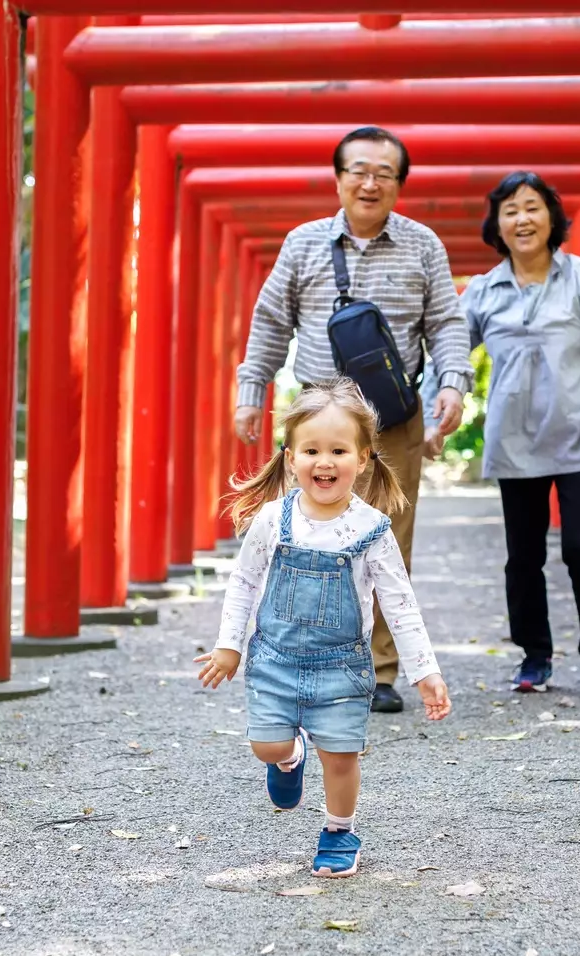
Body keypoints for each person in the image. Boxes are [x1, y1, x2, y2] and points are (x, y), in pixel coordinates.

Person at [232, 126, 475, 715]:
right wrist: (250, 388)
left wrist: (453, 384)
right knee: (305, 542)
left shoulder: (422, 245)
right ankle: (305, 662)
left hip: (393, 419)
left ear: (399, 185)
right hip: (318, 423)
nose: (370, 183)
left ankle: (382, 670)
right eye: (359, 171)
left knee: (389, 542)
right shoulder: (304, 243)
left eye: (384, 174)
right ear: (338, 177)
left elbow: (445, 323)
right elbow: (270, 320)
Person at [197, 380, 453, 878]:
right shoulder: (274, 519)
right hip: (275, 659)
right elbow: (244, 582)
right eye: (312, 450)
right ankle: (290, 757)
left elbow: (400, 606)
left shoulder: (372, 529)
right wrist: (229, 646)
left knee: (340, 757)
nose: (324, 462)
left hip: (342, 669)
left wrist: (425, 671)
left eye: (338, 450)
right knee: (265, 746)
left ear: (363, 458)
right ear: (291, 457)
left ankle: (339, 830)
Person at [461, 171, 580, 699]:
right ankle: (534, 655)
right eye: (510, 210)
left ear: (552, 217)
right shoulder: (483, 290)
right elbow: (455, 357)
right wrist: (444, 402)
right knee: (523, 556)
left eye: (532, 207)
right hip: (514, 440)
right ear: (497, 224)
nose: (522, 219)